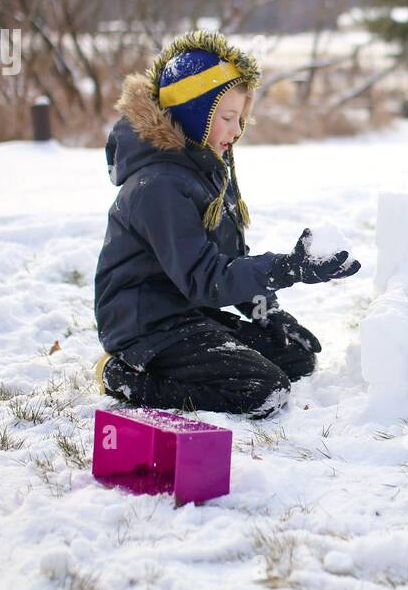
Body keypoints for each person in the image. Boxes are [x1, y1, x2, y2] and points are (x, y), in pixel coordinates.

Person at [93, 30, 360, 417]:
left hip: (186, 310)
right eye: (228, 118)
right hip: (147, 323)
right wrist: (286, 268)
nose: (236, 132)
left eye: (241, 119)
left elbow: (227, 255)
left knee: (296, 357)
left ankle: (200, 357)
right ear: (193, 114)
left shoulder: (205, 167)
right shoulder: (159, 186)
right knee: (262, 390)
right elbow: (206, 276)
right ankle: (121, 374)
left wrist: (266, 311)